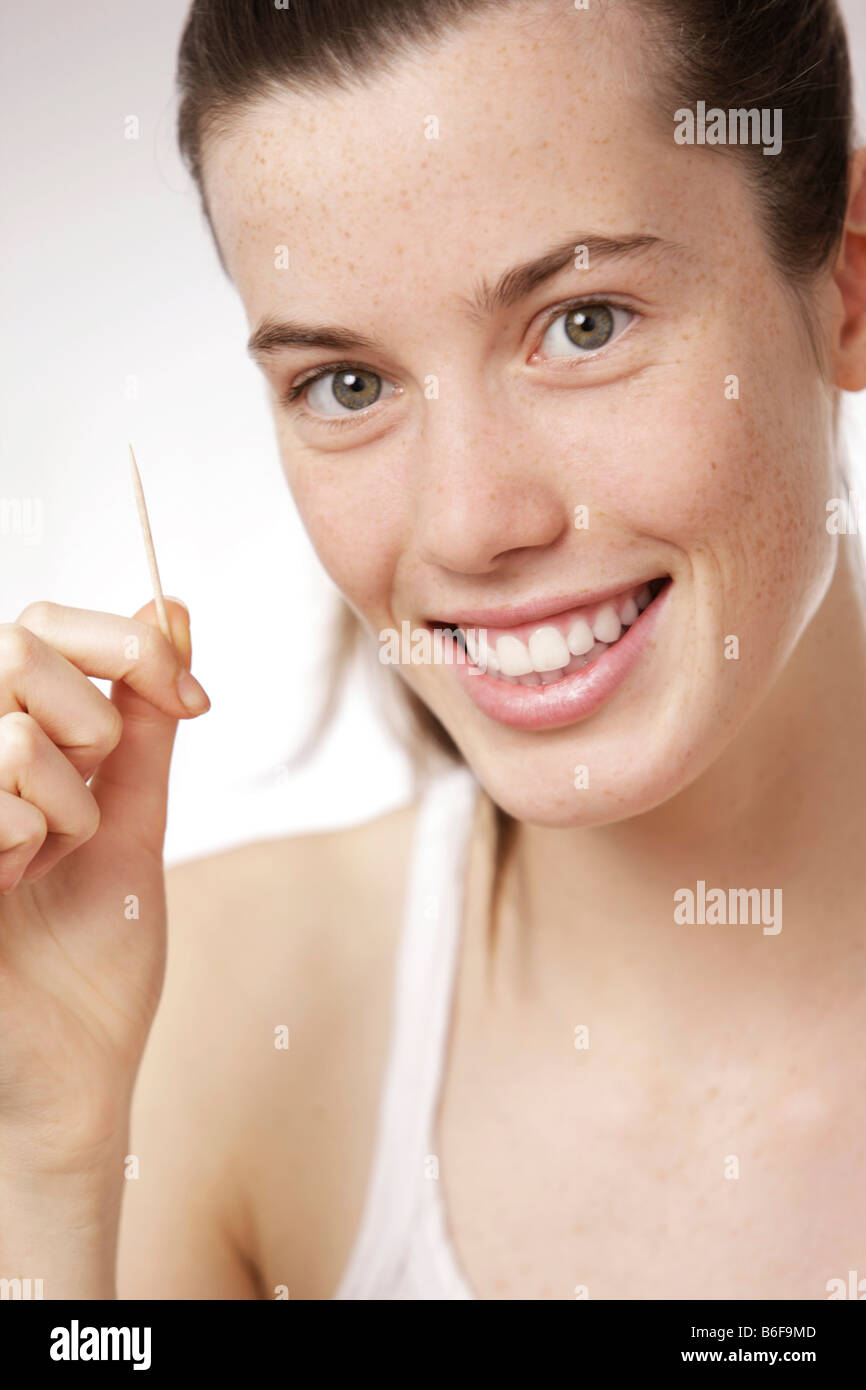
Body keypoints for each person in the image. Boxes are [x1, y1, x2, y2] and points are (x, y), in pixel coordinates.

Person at [2, 0, 865, 1301]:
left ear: (847, 279)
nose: (470, 524)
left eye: (583, 323)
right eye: (346, 384)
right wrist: (48, 1172)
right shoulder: (198, 1016)